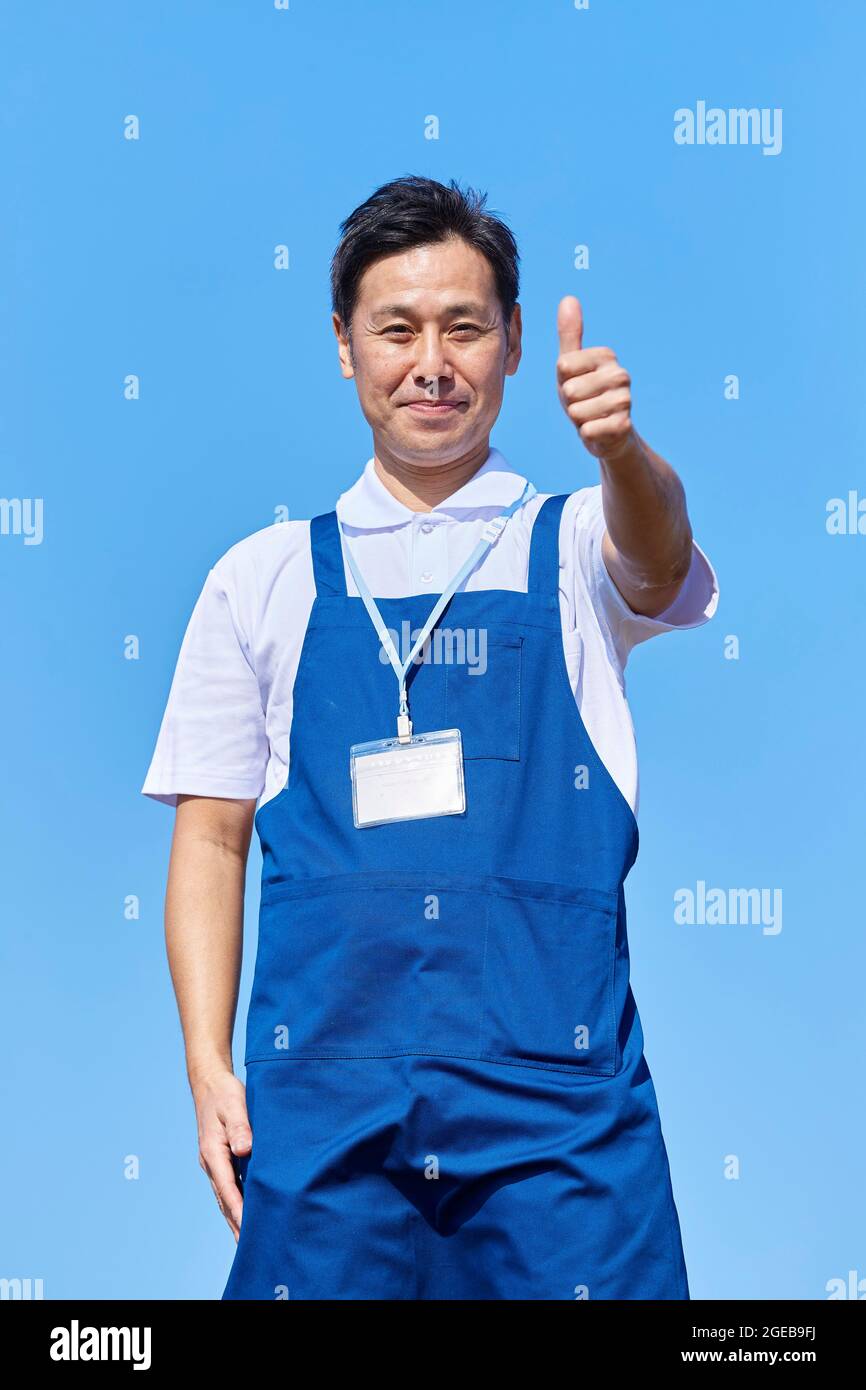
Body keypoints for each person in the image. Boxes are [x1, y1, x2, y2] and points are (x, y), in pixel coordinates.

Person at [142, 174, 718, 1300]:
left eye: (464, 326)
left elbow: (655, 559)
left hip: (558, 1120)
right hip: (320, 1119)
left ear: (510, 340)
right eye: (395, 328)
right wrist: (209, 1066)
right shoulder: (257, 579)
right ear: (343, 346)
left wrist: (619, 452)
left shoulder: (573, 543)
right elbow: (210, 842)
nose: (430, 361)